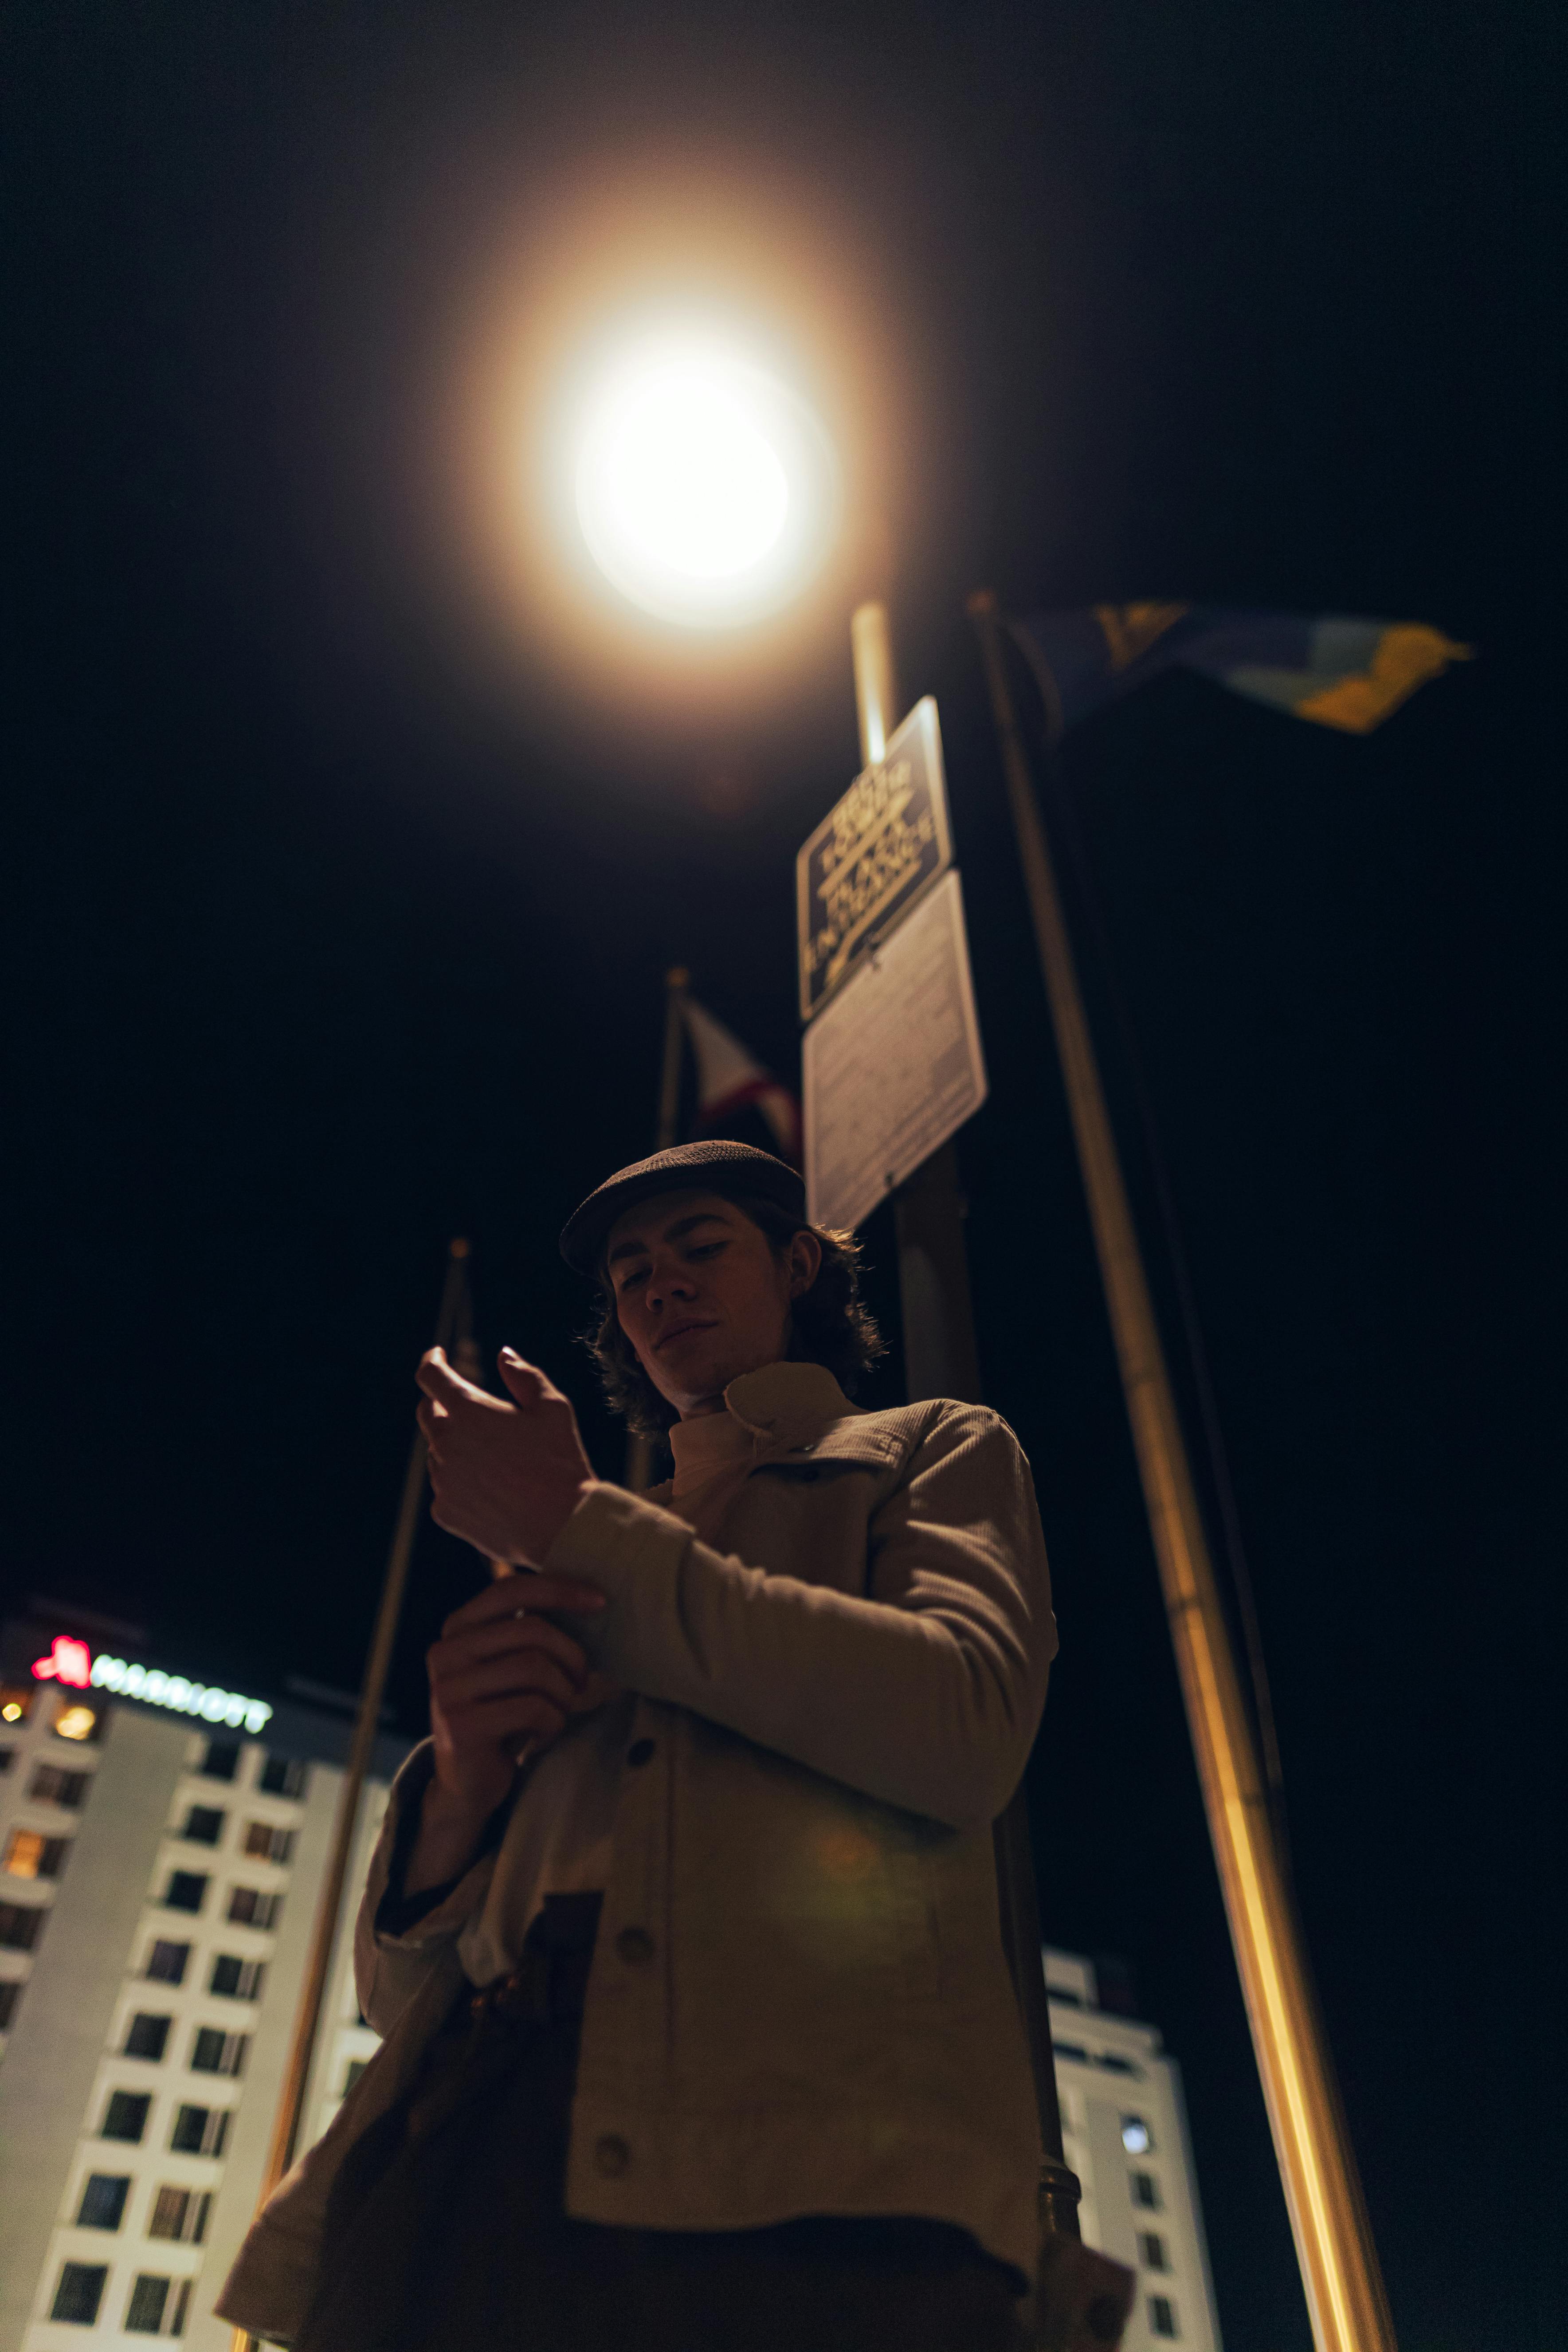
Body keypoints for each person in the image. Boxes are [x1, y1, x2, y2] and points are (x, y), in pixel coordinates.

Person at [218, 1139, 1058, 2352]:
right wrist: (458, 1792)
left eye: (700, 1246)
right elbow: (397, 1998)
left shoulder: (930, 1447)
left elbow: (967, 1729)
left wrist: (577, 1526)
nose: (658, 1285)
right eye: (629, 1274)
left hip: (802, 2181)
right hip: (469, 2154)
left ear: (801, 1263)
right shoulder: (612, 1538)